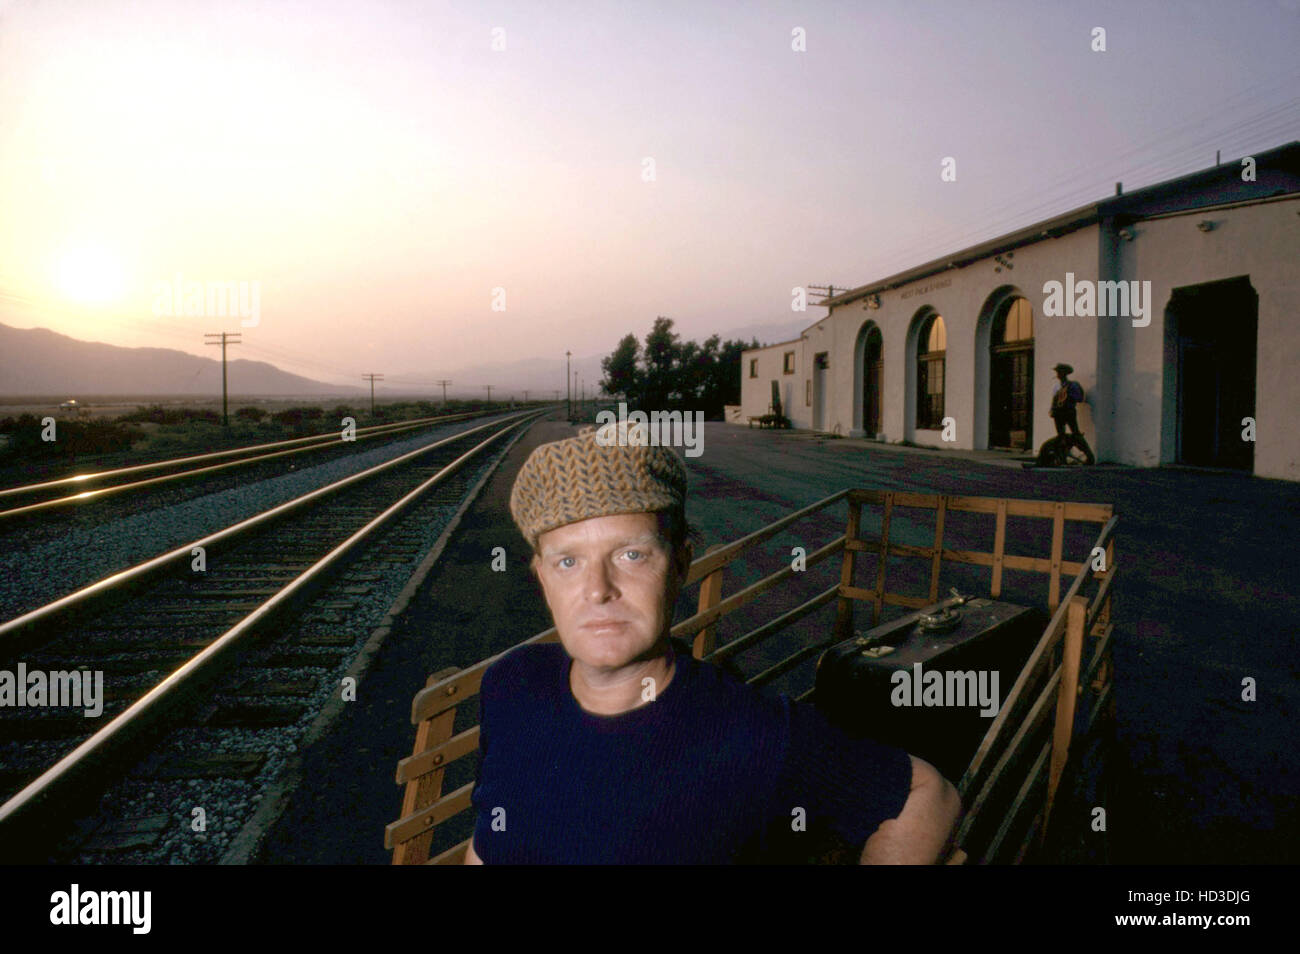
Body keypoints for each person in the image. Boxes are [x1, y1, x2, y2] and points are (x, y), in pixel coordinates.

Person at [464, 422, 961, 864]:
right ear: (542, 579)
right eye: (568, 562)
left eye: (632, 554)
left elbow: (926, 793)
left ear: (680, 565)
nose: (598, 589)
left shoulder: (750, 735)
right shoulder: (512, 684)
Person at [1050, 363, 1096, 465]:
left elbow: (1079, 398)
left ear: (1065, 374)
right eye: (1058, 372)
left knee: (1076, 434)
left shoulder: (1073, 385)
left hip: (1069, 411)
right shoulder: (1056, 387)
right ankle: (1062, 458)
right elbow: (1054, 400)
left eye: (1060, 372)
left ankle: (1089, 457)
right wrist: (1052, 410)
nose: (1058, 374)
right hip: (1058, 412)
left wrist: (1069, 395)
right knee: (1060, 436)